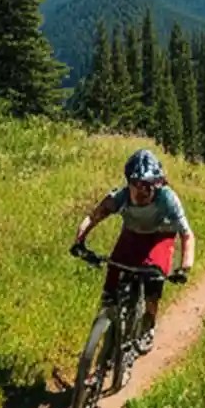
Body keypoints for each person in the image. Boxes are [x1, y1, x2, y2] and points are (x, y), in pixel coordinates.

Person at [70, 148, 195, 354]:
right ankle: (108, 316)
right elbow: (93, 217)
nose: (140, 191)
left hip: (161, 235)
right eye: (135, 185)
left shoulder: (168, 198)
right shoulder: (120, 196)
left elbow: (187, 235)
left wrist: (184, 268)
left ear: (157, 184)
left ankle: (149, 323)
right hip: (133, 232)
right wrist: (79, 242)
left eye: (146, 186)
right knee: (114, 268)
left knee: (154, 276)